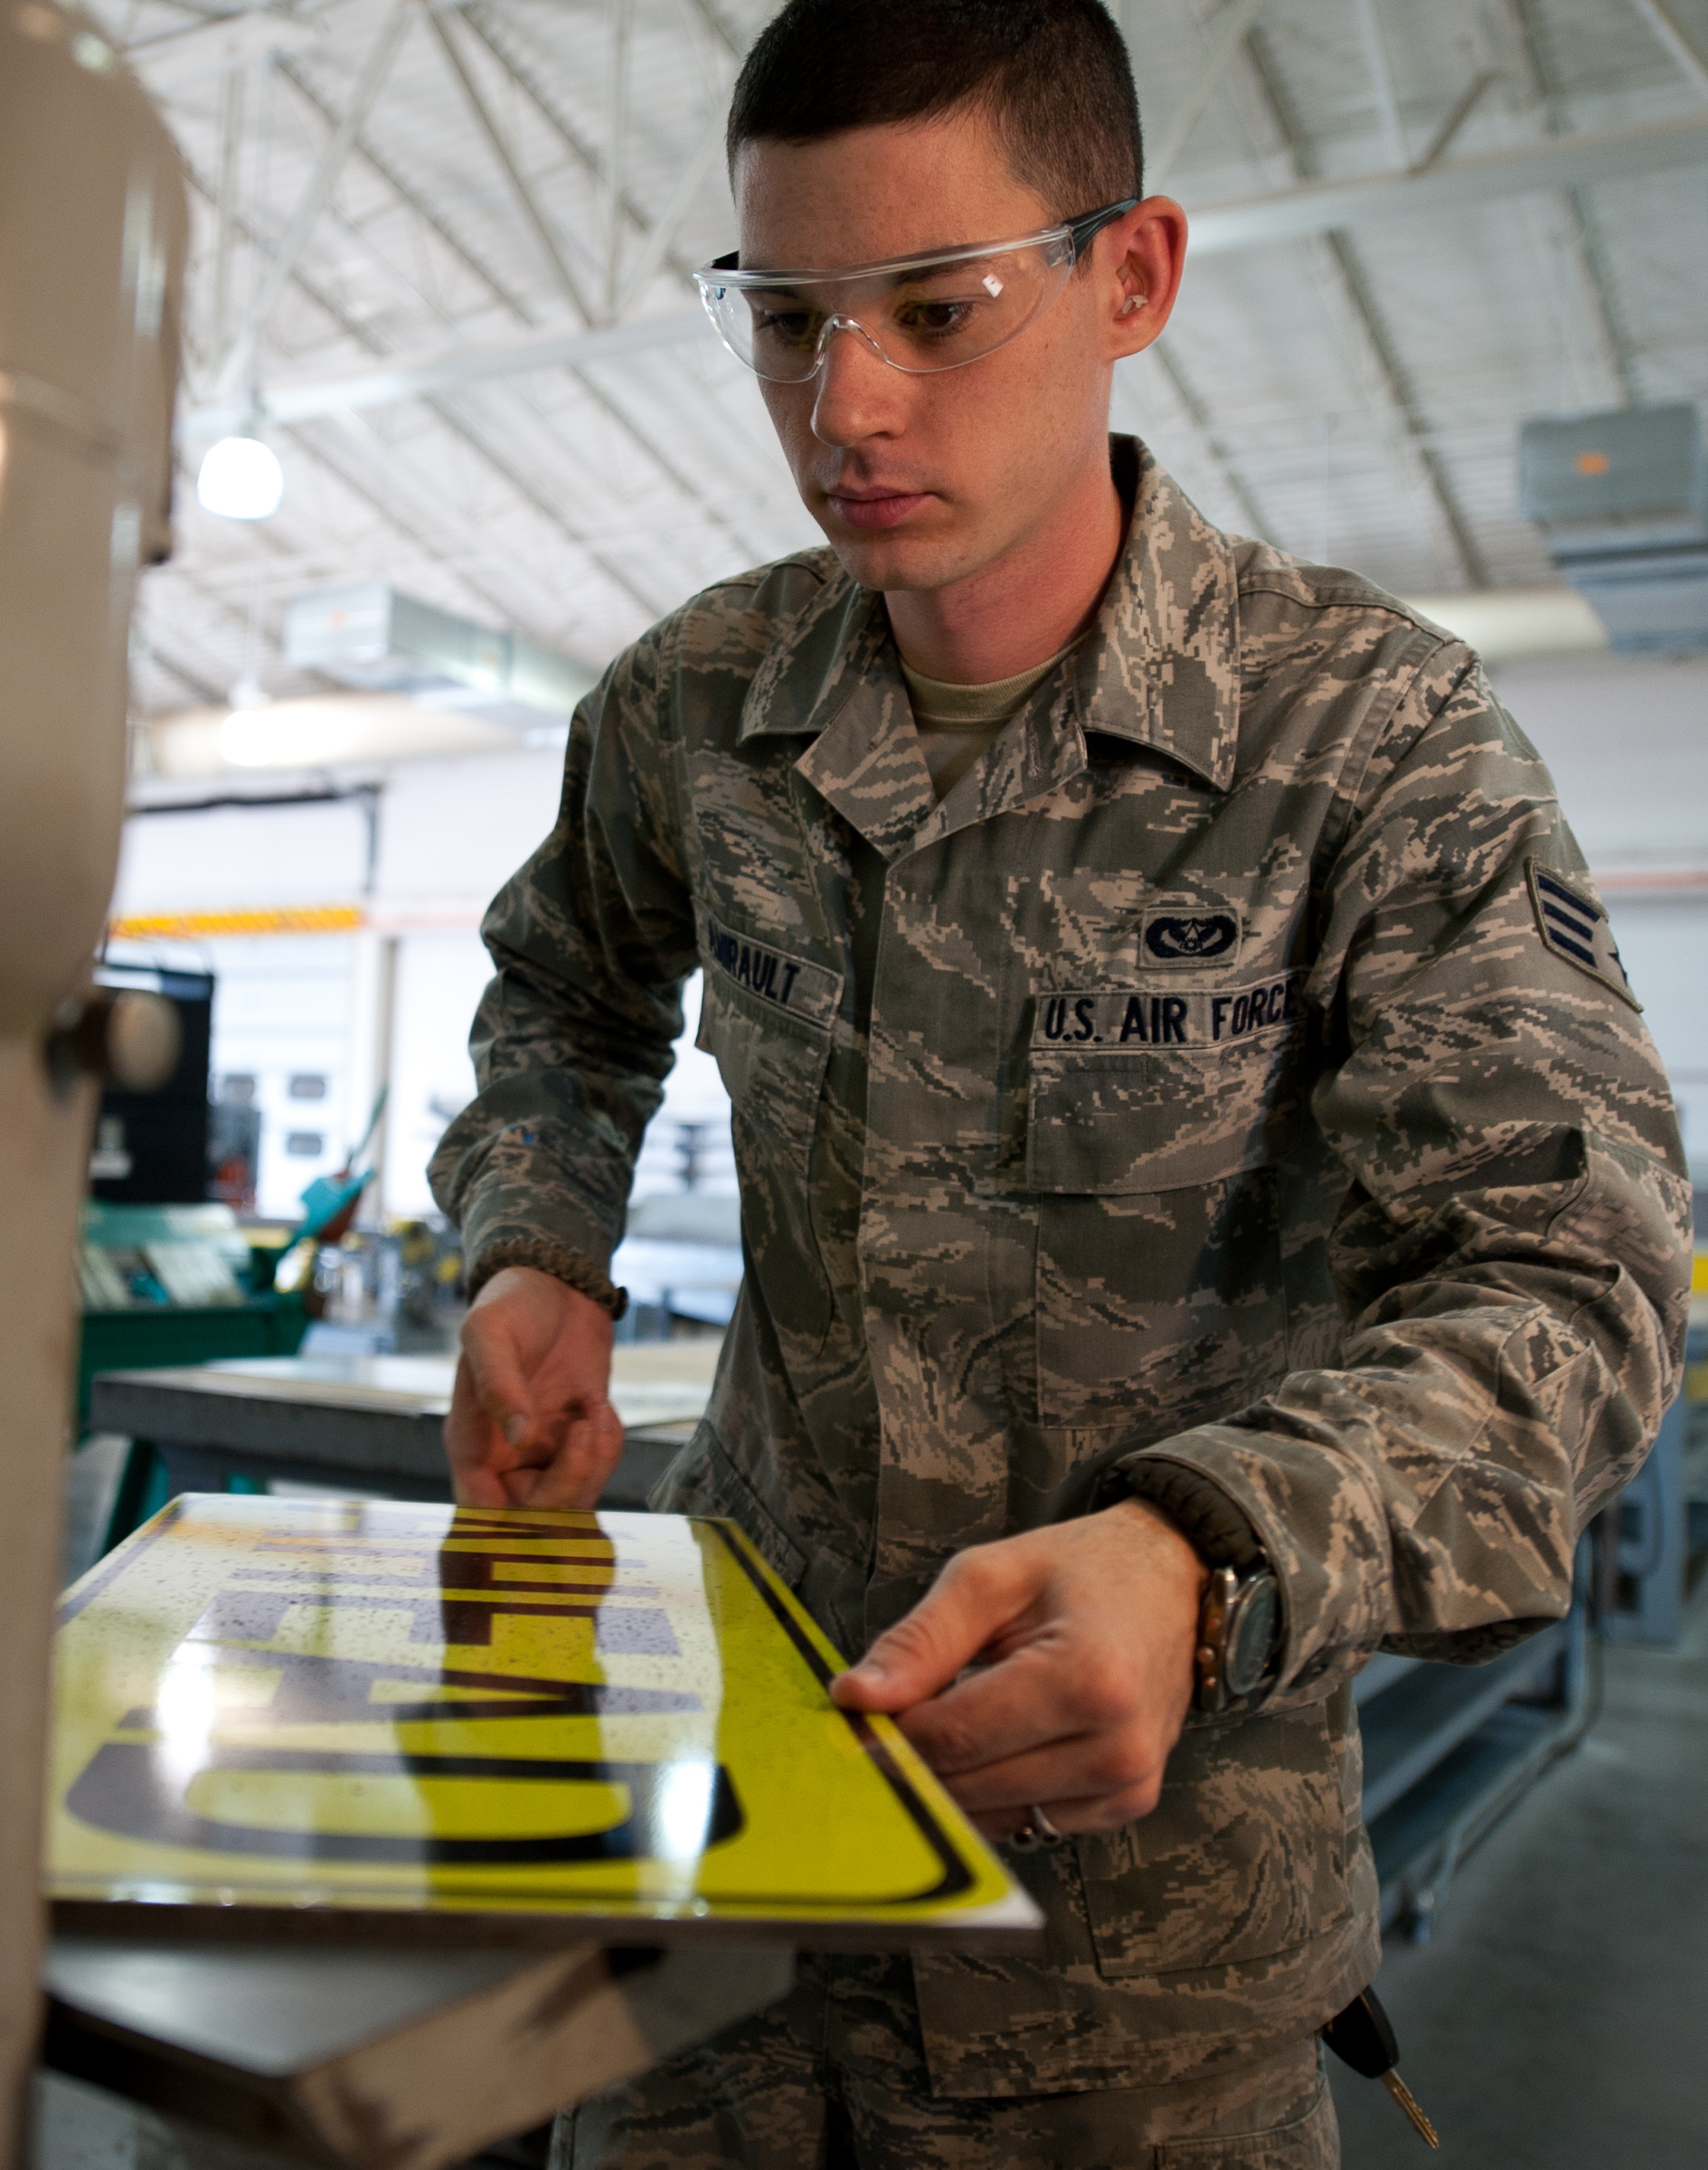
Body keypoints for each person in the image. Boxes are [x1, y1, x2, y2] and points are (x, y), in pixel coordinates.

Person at [429, 3, 1691, 2162]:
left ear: (1134, 277)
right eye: (788, 320)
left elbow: (1574, 1287)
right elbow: (563, 990)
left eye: (936, 308)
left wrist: (1214, 1557)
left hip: (1139, 1982)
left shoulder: (1365, 745)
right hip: (726, 1881)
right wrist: (533, 1243)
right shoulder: (697, 707)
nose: (849, 406)